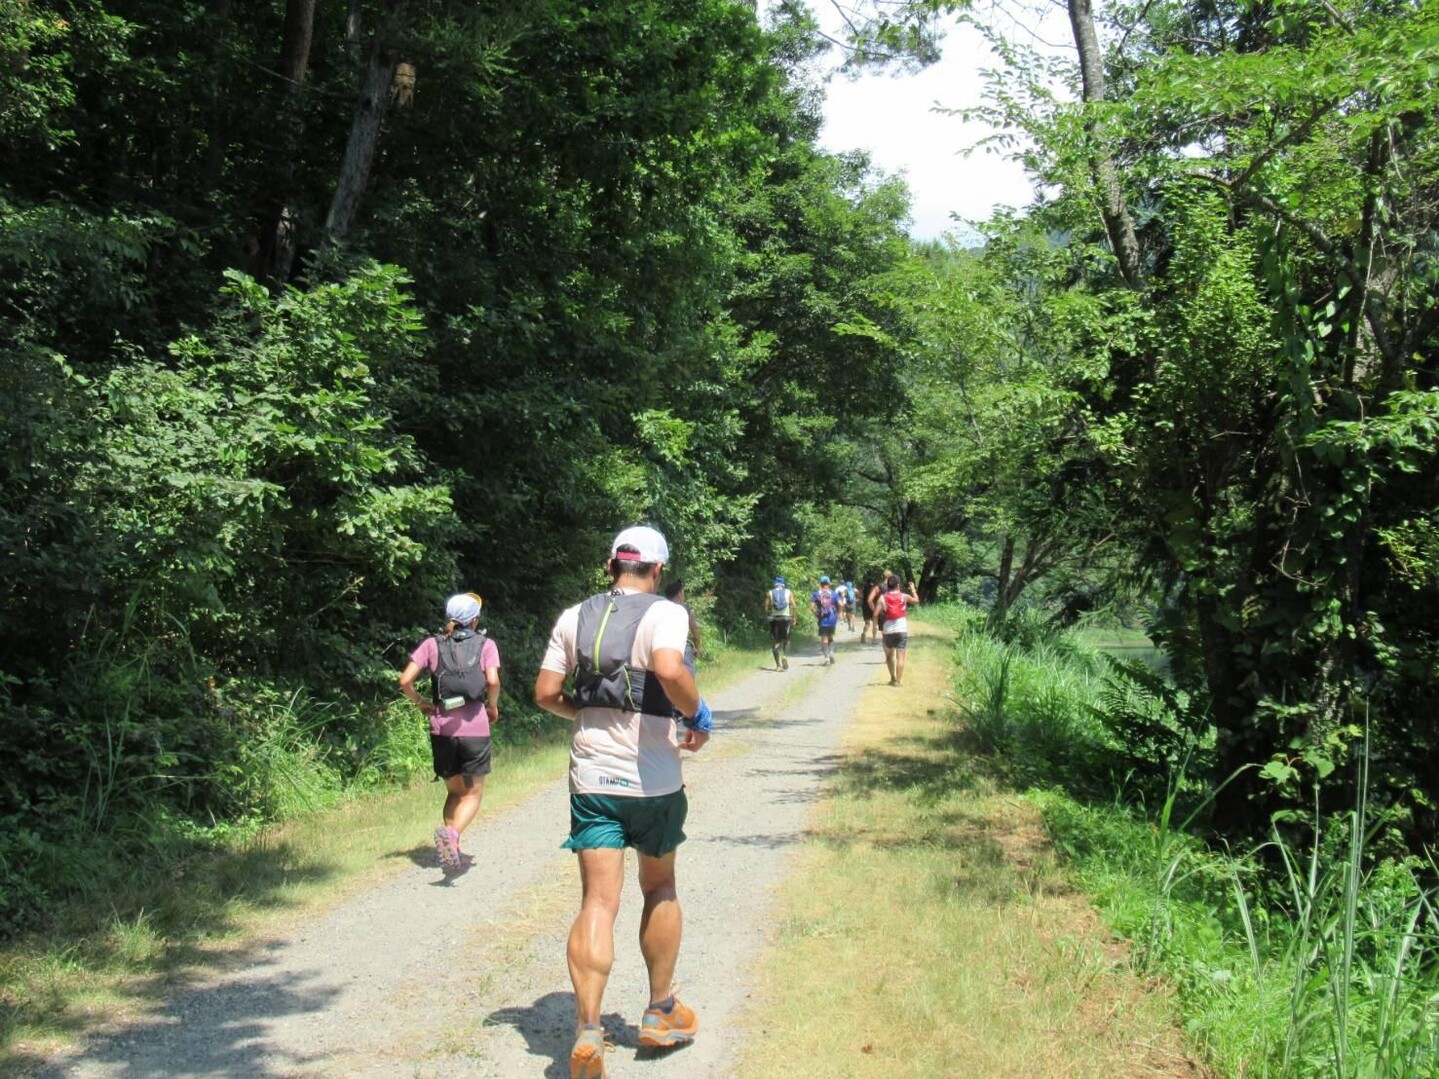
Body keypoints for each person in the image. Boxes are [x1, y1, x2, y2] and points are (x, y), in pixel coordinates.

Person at [534, 525, 712, 1079]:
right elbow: (667, 668)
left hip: (591, 778)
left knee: (597, 902)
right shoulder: (666, 613)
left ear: (610, 564)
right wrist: (694, 713)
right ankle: (660, 1011)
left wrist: (586, 717)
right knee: (658, 886)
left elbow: (544, 693)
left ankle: (588, 1028)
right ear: (657, 570)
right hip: (654, 779)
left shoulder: (573, 616)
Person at [398, 591, 501, 873]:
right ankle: (453, 836)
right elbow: (492, 680)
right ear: (475, 620)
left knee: (455, 792)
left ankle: (452, 846)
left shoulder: (432, 644)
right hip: (474, 729)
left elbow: (405, 679)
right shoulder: (486, 644)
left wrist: (421, 703)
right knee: (473, 794)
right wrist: (492, 706)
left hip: (442, 729)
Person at [877, 576, 922, 686]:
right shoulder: (904, 596)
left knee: (889, 656)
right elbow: (916, 601)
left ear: (888, 585)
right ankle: (898, 681)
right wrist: (913, 590)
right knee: (900, 656)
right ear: (898, 585)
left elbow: (875, 613)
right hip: (901, 629)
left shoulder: (883, 597)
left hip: (887, 629)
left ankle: (892, 678)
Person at [663, 579, 702, 674]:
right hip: (681, 651)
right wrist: (697, 648)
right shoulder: (686, 610)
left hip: (662, 650)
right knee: (689, 674)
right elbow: (696, 635)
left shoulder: (660, 608)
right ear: (680, 594)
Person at [763, 576, 796, 670]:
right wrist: (793, 617)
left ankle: (778, 666)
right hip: (786, 619)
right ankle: (784, 656)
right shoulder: (788, 592)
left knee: (776, 642)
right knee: (786, 639)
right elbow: (794, 606)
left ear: (775, 584)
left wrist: (769, 614)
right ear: (783, 584)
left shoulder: (769, 593)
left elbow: (766, 608)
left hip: (774, 619)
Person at [811, 575, 840, 665]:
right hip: (832, 618)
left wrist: (816, 613)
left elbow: (811, 607)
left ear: (821, 584)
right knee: (830, 636)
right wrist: (839, 613)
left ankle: (827, 658)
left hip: (822, 618)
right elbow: (841, 604)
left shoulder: (816, 594)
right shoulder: (834, 593)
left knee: (824, 638)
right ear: (829, 584)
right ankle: (831, 652)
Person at [865, 571, 892, 647]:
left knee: (875, 623)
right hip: (890, 608)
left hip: (879, 608)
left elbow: (869, 600)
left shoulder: (878, 587)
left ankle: (874, 639)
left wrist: (874, 609)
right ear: (890, 577)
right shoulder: (894, 586)